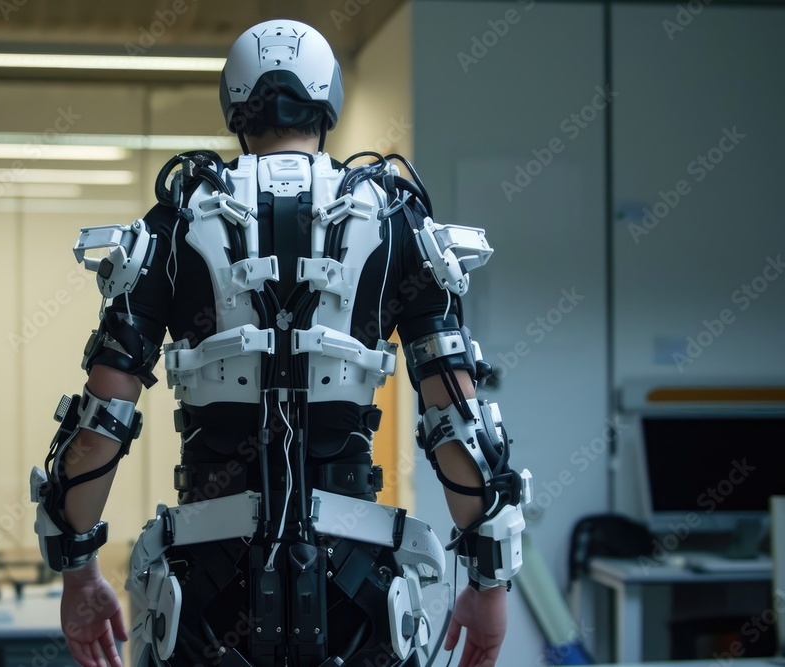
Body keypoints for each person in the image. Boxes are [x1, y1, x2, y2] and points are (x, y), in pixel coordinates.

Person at [31, 19, 531, 667]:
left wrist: (78, 574)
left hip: (205, 605)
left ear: (234, 105)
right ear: (330, 102)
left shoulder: (173, 224)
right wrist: (489, 585)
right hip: (358, 601)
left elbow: (101, 422)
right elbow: (457, 419)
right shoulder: (397, 222)